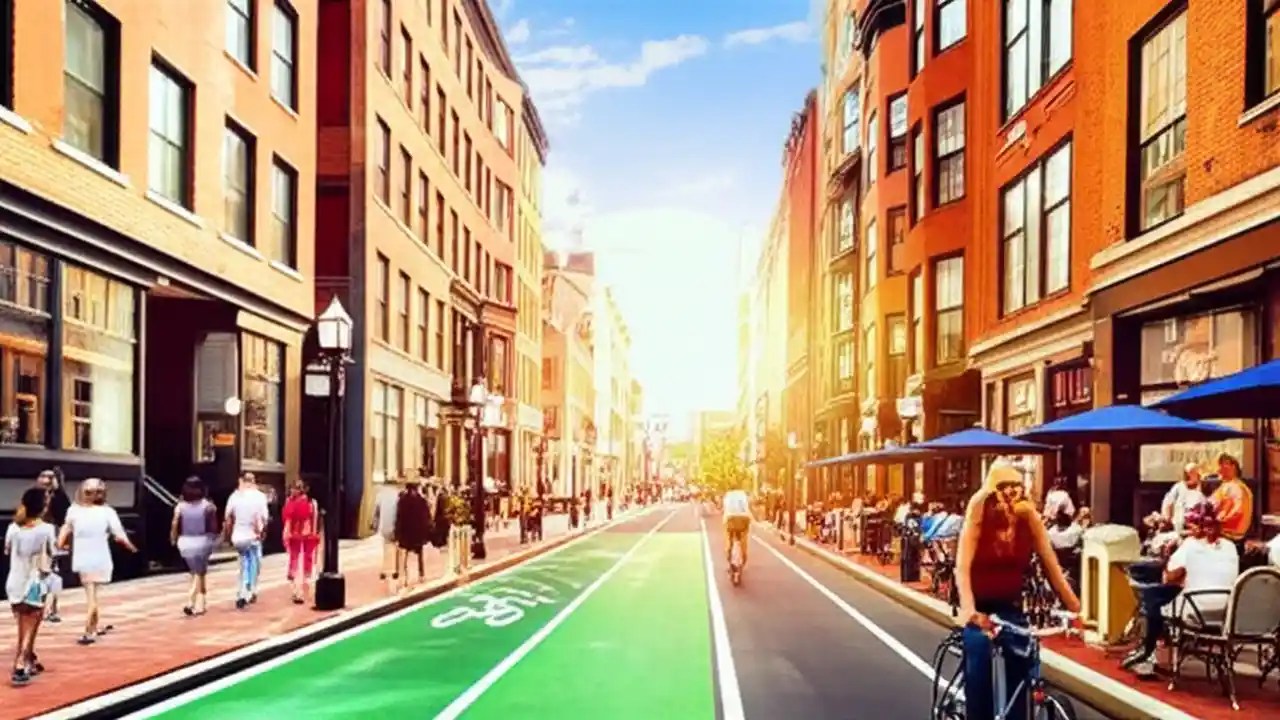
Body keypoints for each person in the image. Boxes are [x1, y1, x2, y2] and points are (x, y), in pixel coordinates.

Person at [955, 462, 1081, 720]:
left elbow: (1051, 566)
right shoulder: (979, 513)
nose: (1011, 493)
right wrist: (969, 609)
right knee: (979, 653)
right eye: (1004, 487)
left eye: (1016, 486)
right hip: (979, 605)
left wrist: (1076, 609)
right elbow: (962, 567)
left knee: (1022, 657)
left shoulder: (1028, 518)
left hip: (1009, 606)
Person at [1123, 501, 1239, 676]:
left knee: (1151, 597)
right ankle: (1152, 649)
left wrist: (1171, 559)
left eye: (1191, 525)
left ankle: (1147, 652)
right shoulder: (1231, 547)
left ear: (1200, 526)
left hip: (1195, 611)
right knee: (1162, 595)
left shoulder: (1191, 545)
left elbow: (1168, 577)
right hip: (1227, 613)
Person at [59, 478, 137, 645]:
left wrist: (60, 545)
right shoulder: (108, 511)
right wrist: (132, 548)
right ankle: (93, 628)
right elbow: (119, 535)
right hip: (101, 556)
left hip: (82, 556)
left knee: (91, 597)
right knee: (94, 596)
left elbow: (65, 530)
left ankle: (89, 631)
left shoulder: (73, 511)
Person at [6, 488, 57, 686]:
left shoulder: (13, 528)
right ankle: (20, 664)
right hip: (35, 582)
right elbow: (52, 552)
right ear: (43, 507)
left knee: (24, 623)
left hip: (14, 581)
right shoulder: (47, 529)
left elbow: (7, 549)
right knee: (29, 626)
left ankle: (29, 660)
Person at [171, 477, 218, 616]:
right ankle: (191, 601)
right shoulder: (208, 506)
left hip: (184, 542)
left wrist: (173, 538)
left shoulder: (180, 506)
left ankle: (202, 603)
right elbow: (213, 528)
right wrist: (214, 540)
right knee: (199, 572)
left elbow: (175, 523)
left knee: (197, 572)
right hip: (202, 541)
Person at [224, 473, 269, 610]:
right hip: (253, 536)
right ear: (253, 481)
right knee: (254, 562)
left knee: (243, 563)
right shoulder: (260, 496)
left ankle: (241, 591)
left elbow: (227, 517)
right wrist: (262, 532)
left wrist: (228, 535)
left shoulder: (235, 496)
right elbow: (265, 517)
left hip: (238, 536)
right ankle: (249, 591)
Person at [281, 480, 321, 605]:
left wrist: (287, 534)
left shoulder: (296, 502)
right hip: (302, 535)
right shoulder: (307, 502)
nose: (293, 490)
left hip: (300, 535)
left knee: (298, 561)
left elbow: (288, 520)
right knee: (301, 561)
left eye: (296, 488)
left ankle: (299, 590)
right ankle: (300, 589)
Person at [1209, 453, 1253, 556]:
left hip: (1228, 538)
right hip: (1223, 537)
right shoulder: (1225, 486)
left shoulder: (1236, 487)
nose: (1219, 469)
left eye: (1223, 465)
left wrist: (1219, 522)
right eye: (1219, 465)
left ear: (1233, 467)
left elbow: (1238, 511)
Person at [372, 474, 403, 592]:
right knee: (397, 548)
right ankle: (396, 570)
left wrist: (374, 525)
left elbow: (376, 512)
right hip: (396, 525)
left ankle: (385, 570)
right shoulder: (398, 495)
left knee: (386, 548)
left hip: (384, 526)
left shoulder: (380, 495)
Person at [1161, 463, 1205, 533]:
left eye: (1191, 473)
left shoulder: (1203, 488)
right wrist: (1168, 519)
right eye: (1185, 473)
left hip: (1196, 527)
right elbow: (1168, 503)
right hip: (1177, 526)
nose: (1187, 476)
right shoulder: (1178, 487)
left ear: (1197, 474)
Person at [722, 484, 753, 572]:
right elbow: (748, 508)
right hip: (744, 518)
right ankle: (743, 555)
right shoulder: (744, 495)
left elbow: (725, 509)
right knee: (744, 538)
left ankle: (729, 553)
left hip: (730, 518)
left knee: (728, 537)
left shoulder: (727, 496)